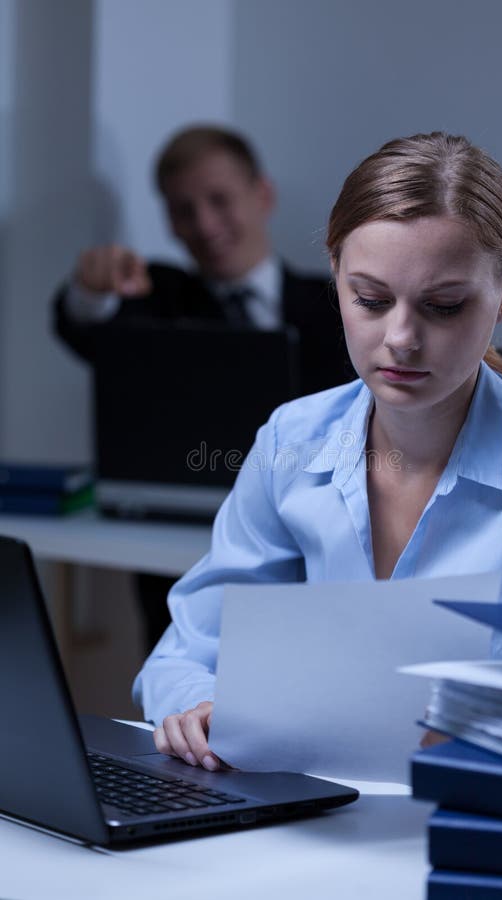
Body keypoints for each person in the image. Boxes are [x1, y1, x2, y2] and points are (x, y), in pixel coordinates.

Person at [133, 131, 502, 773]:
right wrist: (202, 706)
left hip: (484, 822)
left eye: (443, 306)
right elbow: (185, 651)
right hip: (311, 818)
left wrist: (478, 730)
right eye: (372, 300)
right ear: (337, 277)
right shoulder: (291, 442)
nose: (401, 339)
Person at [52, 124, 350, 652]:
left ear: (263, 194)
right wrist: (90, 289)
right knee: (182, 700)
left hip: (311, 555)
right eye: (184, 209)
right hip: (179, 563)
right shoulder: (156, 298)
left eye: (219, 200)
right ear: (169, 220)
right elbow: (82, 327)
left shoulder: (339, 304)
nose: (205, 224)